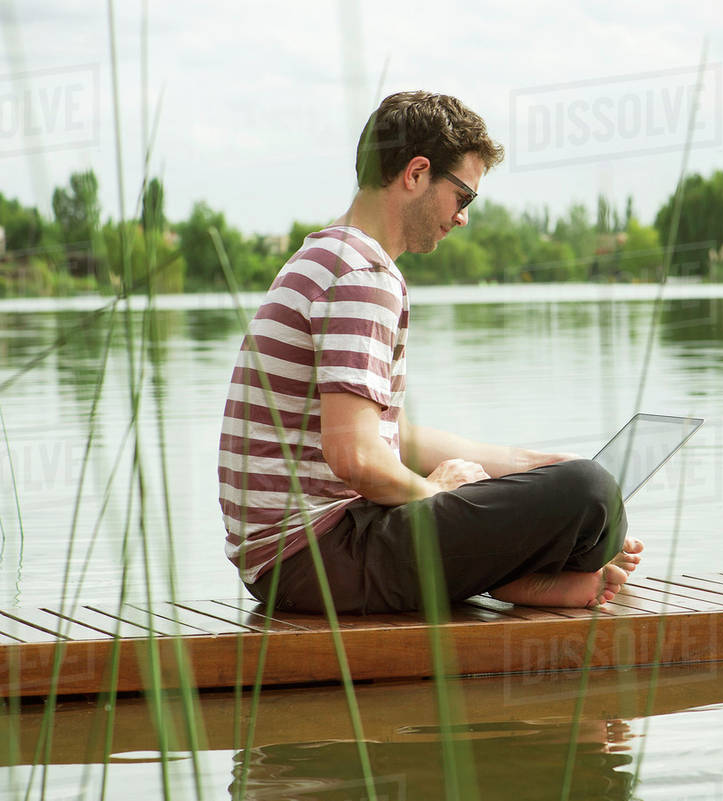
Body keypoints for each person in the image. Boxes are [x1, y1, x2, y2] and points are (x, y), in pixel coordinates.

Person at [218, 91, 640, 615]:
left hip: (296, 558)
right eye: (464, 197)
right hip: (321, 558)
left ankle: (517, 574)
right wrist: (437, 497)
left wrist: (524, 464)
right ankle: (525, 571)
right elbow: (354, 458)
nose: (463, 217)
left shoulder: (328, 255)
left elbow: (386, 438)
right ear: (416, 174)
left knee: (568, 478)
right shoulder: (361, 274)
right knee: (590, 491)